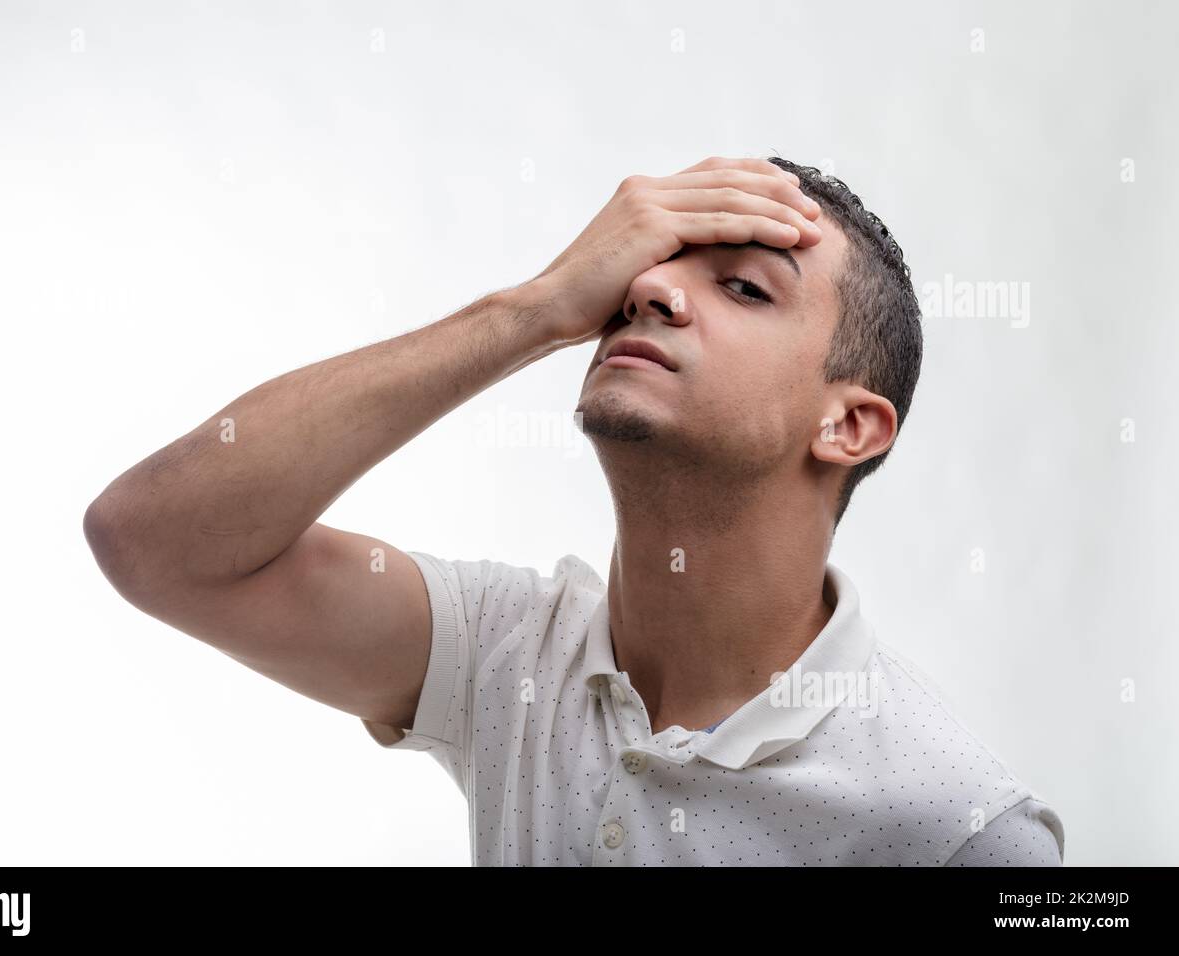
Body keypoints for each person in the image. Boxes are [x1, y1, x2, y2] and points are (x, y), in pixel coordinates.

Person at [83, 155, 1064, 866]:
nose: (651, 290)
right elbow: (158, 539)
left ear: (848, 424)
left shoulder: (961, 827)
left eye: (740, 286)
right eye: (654, 266)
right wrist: (534, 308)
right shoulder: (507, 656)